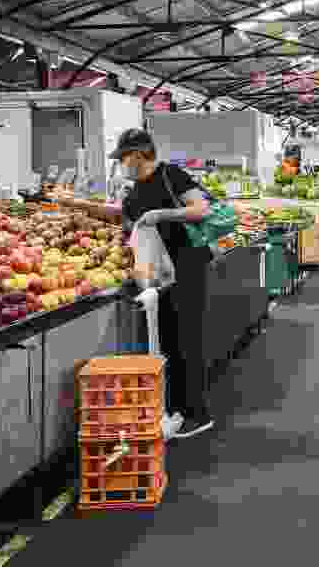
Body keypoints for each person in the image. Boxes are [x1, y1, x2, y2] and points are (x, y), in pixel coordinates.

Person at [114, 128, 214, 440]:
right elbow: (126, 222)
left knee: (186, 341)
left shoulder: (171, 175)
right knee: (170, 342)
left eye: (123, 158)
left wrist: (161, 214)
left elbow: (201, 208)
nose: (122, 164)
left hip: (186, 267)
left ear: (138, 154)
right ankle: (177, 410)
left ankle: (198, 414)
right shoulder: (133, 191)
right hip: (158, 274)